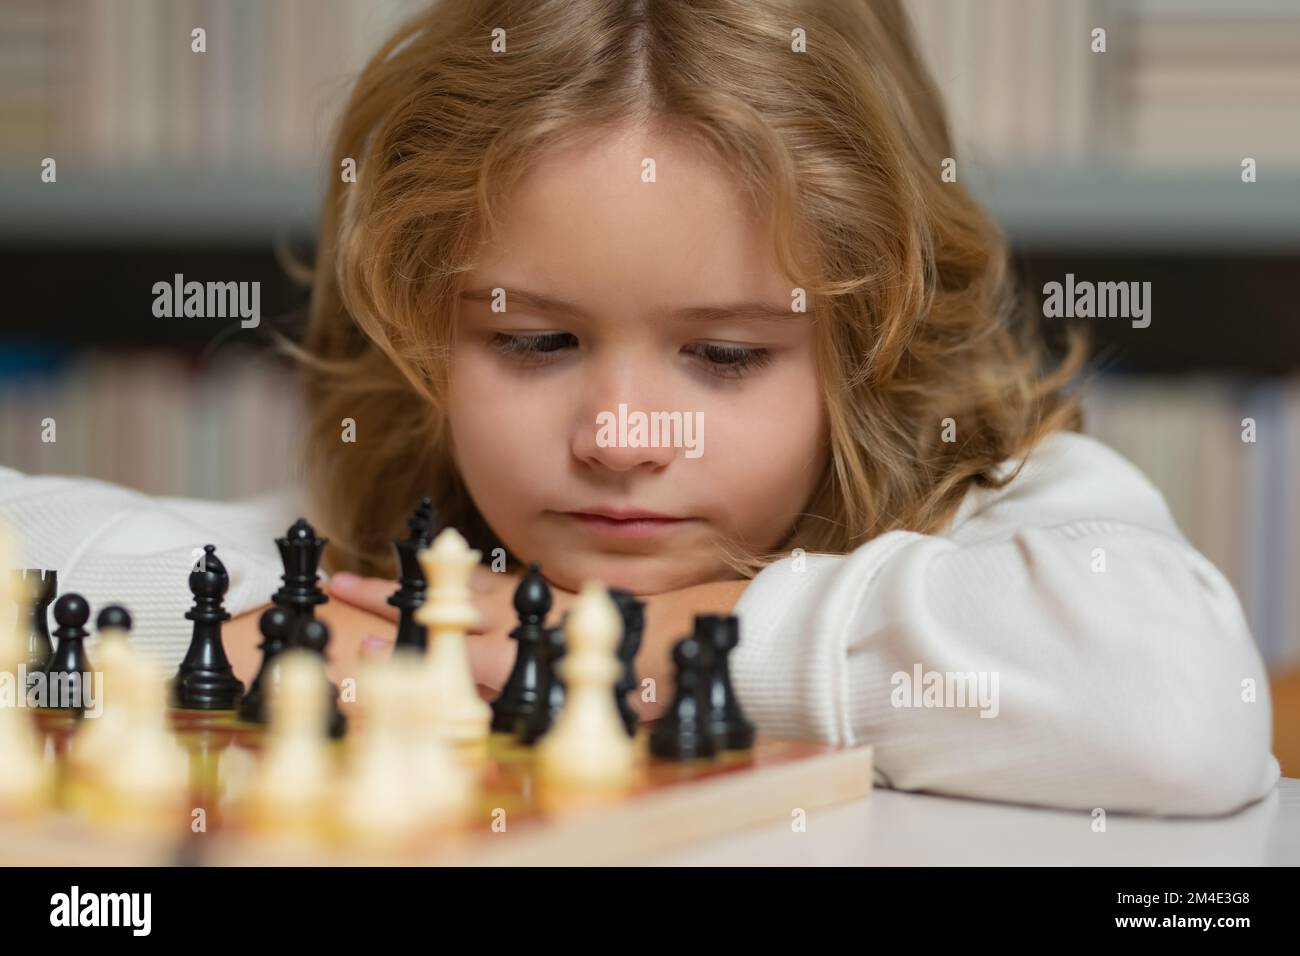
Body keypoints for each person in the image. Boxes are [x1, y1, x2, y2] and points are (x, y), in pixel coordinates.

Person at [0, 0, 1277, 815]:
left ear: (878, 336)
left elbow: (1175, 704)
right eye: (533, 338)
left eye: (723, 355)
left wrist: (609, 647)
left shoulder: (1004, 505)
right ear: (417, 330)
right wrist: (356, 641)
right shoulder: (403, 551)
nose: (619, 437)